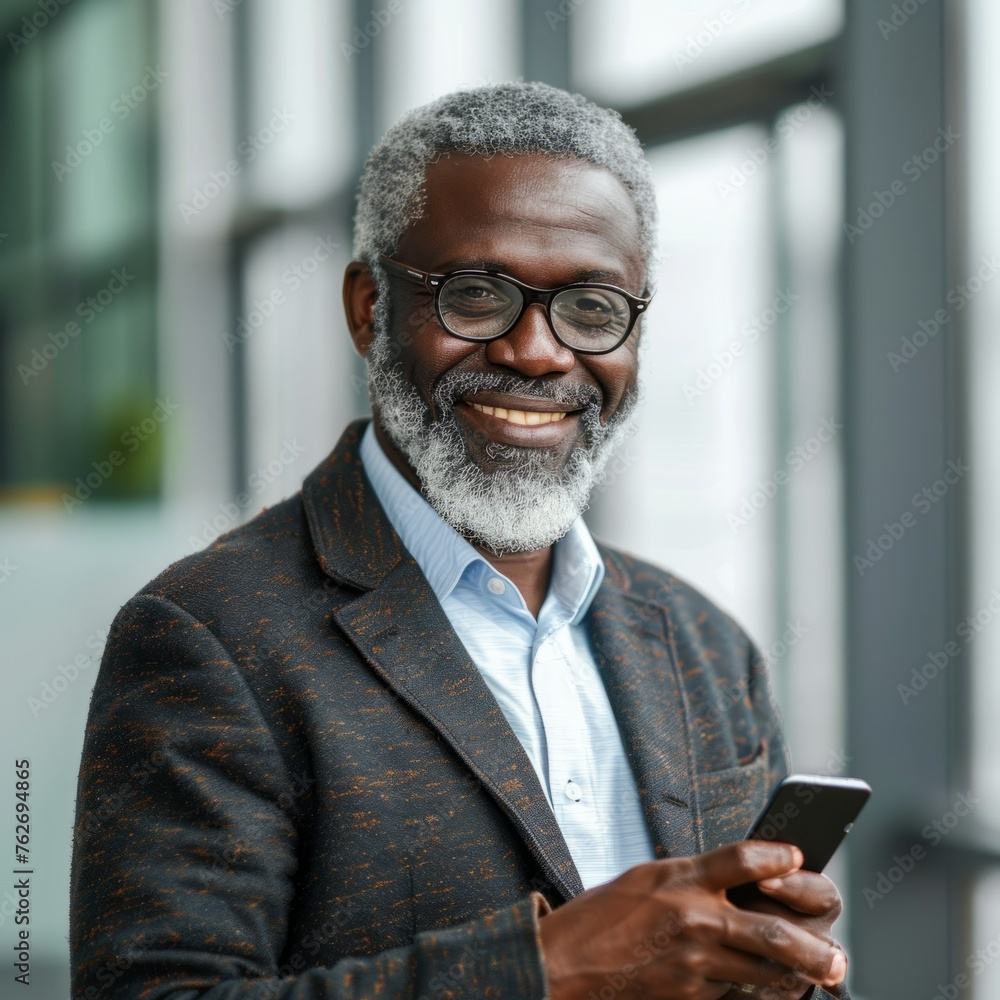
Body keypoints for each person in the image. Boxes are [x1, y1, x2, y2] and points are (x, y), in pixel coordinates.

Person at [70, 82, 849, 1000]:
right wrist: (547, 973)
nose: (538, 353)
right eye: (477, 296)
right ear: (368, 308)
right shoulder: (210, 635)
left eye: (593, 309)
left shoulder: (704, 645)